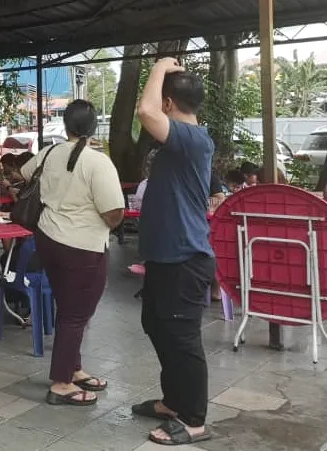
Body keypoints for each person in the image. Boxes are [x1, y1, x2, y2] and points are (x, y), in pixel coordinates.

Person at [19, 100, 125, 407]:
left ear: (66, 125)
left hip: (49, 240)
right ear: (93, 128)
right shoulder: (97, 162)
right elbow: (114, 211)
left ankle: (74, 368)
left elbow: (25, 173)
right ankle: (62, 383)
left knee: (68, 308)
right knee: (76, 314)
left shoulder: (49, 152)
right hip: (83, 246)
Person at [133, 58, 216, 446]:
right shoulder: (183, 142)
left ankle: (195, 419)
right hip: (165, 257)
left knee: (183, 339)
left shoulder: (192, 138)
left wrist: (159, 67)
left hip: (185, 258)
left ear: (168, 104)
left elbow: (144, 110)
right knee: (157, 326)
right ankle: (173, 401)